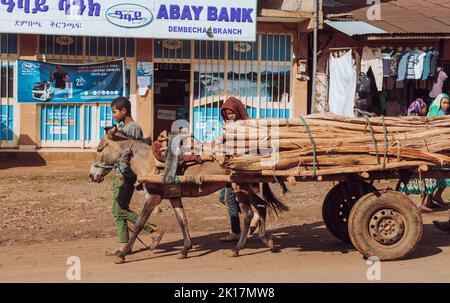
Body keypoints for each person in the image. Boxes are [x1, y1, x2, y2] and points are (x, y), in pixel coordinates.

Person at [106, 96, 164, 255]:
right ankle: (123, 244)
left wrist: (121, 173)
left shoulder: (133, 128)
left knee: (119, 210)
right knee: (118, 209)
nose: (113, 115)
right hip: (121, 173)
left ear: (124, 111)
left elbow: (128, 154)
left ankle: (153, 229)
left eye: (114, 112)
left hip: (127, 175)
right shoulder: (123, 127)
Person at [399, 98, 436, 211]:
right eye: (424, 108)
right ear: (419, 108)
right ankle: (406, 204)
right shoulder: (413, 120)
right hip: (413, 156)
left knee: (422, 181)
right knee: (412, 181)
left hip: (418, 155)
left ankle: (420, 203)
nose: (426, 110)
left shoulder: (419, 119)